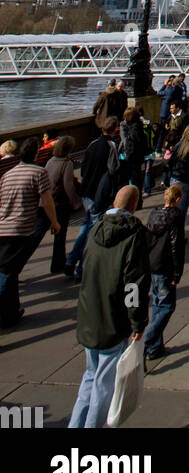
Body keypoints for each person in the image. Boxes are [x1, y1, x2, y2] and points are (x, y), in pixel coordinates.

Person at [68, 185, 150, 429]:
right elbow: (133, 285)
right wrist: (138, 321)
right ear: (134, 206)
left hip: (88, 315)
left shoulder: (95, 228)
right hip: (113, 320)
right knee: (104, 385)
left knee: (89, 377)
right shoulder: (133, 236)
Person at [0, 137, 60, 327]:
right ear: (35, 154)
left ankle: (12, 312)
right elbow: (47, 201)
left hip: (3, 226)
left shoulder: (8, 174)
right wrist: (54, 222)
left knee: (12, 269)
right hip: (20, 228)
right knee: (7, 272)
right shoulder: (38, 172)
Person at [66, 117, 122, 282]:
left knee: (86, 227)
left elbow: (83, 168)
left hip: (86, 193)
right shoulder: (111, 146)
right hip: (99, 195)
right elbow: (114, 170)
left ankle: (70, 260)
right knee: (94, 232)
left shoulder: (91, 144)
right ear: (115, 130)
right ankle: (82, 270)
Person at [143, 184, 185, 361]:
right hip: (165, 266)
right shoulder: (175, 217)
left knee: (157, 306)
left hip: (151, 265)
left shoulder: (153, 214)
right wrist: (177, 273)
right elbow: (176, 247)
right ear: (177, 199)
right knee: (167, 307)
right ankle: (147, 340)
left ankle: (155, 348)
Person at [42, 136, 82, 274]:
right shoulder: (67, 163)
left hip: (47, 201)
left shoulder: (50, 161)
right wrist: (76, 202)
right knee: (60, 235)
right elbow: (68, 185)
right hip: (60, 203)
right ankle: (57, 264)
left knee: (38, 234)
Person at [169, 124, 189, 215]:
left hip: (175, 177)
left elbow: (171, 162)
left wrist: (169, 176)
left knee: (172, 204)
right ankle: (179, 227)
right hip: (187, 181)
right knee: (182, 207)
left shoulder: (179, 145)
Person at [119, 107, 147, 194]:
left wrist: (127, 156)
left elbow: (128, 144)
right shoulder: (139, 126)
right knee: (136, 179)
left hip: (131, 158)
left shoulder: (133, 129)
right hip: (138, 157)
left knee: (132, 180)